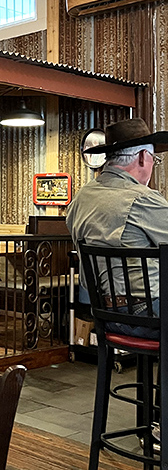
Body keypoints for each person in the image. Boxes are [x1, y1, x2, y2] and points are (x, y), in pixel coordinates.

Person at [67, 118, 168, 337]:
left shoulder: (80, 199)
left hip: (104, 315)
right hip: (148, 315)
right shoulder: (142, 199)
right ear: (142, 157)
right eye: (154, 159)